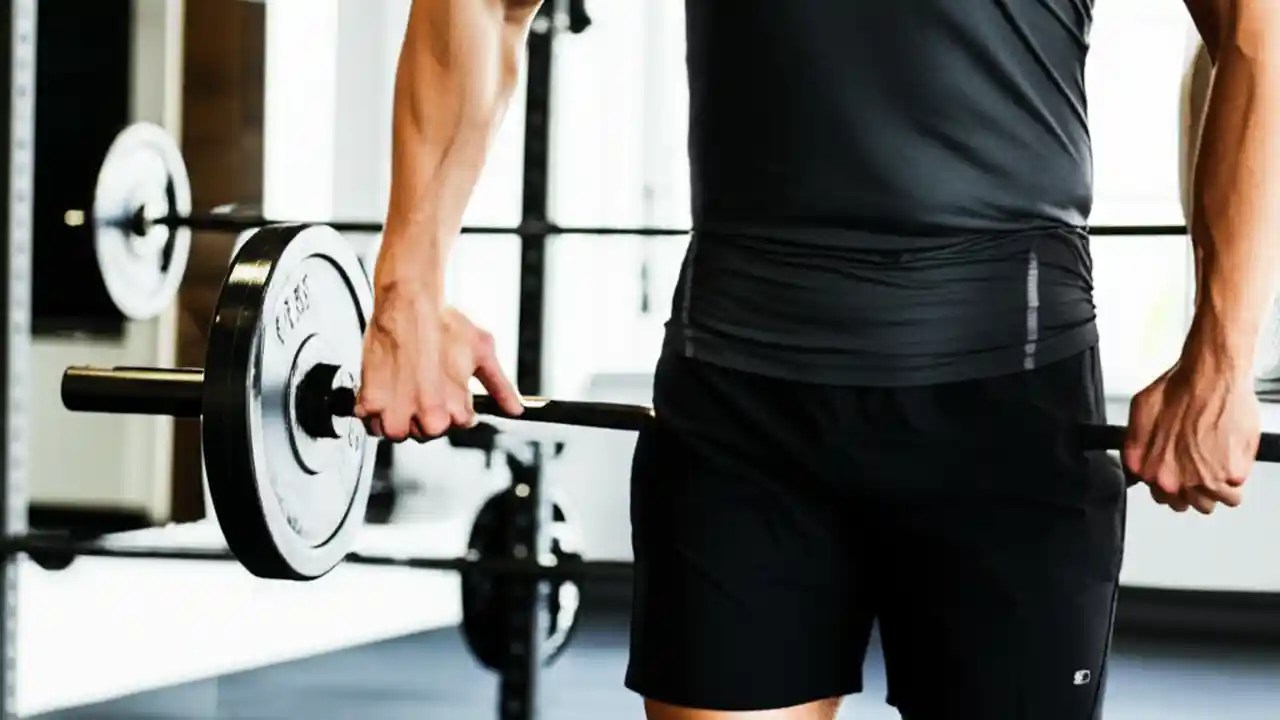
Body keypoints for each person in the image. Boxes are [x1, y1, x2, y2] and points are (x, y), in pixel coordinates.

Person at [355, 1, 1279, 718]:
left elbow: (1251, 34)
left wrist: (1222, 358)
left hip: (1007, 403)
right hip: (740, 402)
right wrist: (405, 293)